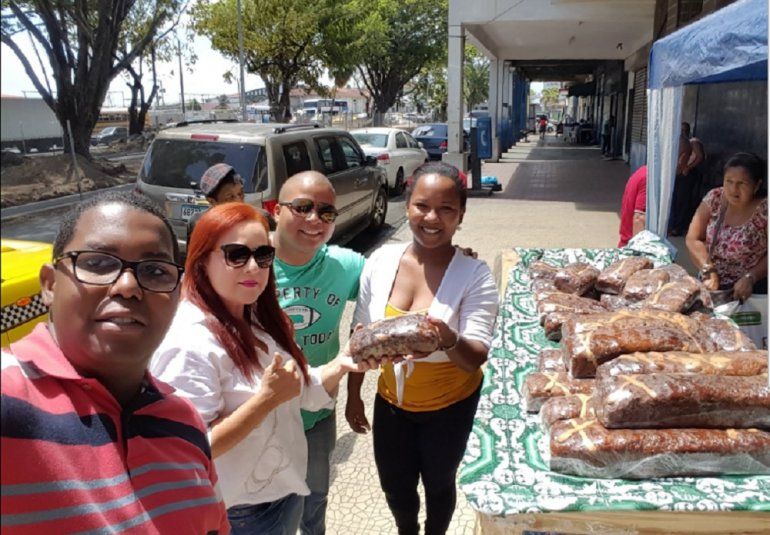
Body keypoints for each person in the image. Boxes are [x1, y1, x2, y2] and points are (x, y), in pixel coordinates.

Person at [1, 191, 229, 533]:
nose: (127, 286)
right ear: (49, 285)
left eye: (154, 271)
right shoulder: (9, 399)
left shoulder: (185, 422)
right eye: (97, 263)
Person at [150, 203, 379, 535]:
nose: (254, 266)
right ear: (201, 260)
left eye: (263, 255)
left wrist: (342, 362)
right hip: (244, 510)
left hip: (283, 487)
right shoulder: (188, 342)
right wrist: (265, 400)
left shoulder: (255, 314)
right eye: (236, 255)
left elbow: (299, 386)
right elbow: (191, 447)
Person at [346, 162, 499, 535]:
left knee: (439, 483)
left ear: (460, 215)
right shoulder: (381, 261)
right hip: (392, 404)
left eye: (446, 209)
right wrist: (353, 396)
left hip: (450, 407)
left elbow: (476, 357)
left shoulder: (473, 275)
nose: (432, 218)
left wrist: (447, 338)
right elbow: (360, 331)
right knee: (396, 488)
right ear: (407, 205)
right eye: (421, 206)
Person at [270, 171, 365, 535]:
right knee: (266, 507)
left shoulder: (345, 266)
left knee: (315, 498)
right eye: (302, 207)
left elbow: (399, 276)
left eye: (326, 212)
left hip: (316, 413)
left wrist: (451, 258)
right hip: (259, 415)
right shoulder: (250, 262)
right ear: (276, 210)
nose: (314, 220)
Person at [686, 152, 768, 302]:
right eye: (729, 181)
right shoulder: (715, 198)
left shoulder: (765, 210)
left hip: (749, 292)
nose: (733, 189)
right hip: (712, 284)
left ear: (757, 185)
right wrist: (708, 269)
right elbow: (693, 238)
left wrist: (751, 277)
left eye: (742, 183)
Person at [187, 163, 275, 241]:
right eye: (230, 197)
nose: (238, 201)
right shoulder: (198, 223)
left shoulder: (261, 218)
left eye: (240, 193)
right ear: (212, 201)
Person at [668, 128, 695, 236]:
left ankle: (678, 227)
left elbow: (683, 158)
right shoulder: (678, 142)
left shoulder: (684, 142)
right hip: (677, 175)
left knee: (680, 202)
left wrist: (687, 167)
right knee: (675, 202)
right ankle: (674, 226)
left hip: (682, 176)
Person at [618, 165, 647, 247]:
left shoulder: (642, 171)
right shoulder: (648, 180)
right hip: (630, 247)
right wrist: (638, 254)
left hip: (627, 243)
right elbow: (639, 218)